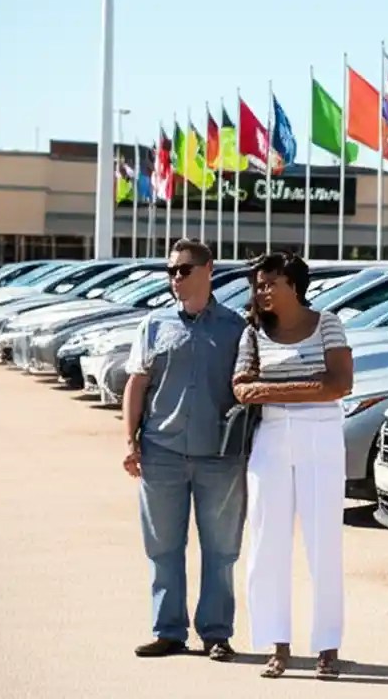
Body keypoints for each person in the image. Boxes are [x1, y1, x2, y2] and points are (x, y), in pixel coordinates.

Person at [121, 238, 248, 661]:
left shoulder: (237, 328)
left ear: (208, 269)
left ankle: (216, 634)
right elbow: (137, 383)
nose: (176, 277)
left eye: (184, 269)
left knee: (221, 550)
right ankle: (168, 631)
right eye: (171, 271)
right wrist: (130, 441)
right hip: (162, 453)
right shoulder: (154, 326)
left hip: (220, 458)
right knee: (162, 548)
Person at [231, 251, 354, 680]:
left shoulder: (328, 324)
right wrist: (307, 387)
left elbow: (339, 384)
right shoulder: (252, 333)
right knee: (267, 542)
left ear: (294, 286)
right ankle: (276, 643)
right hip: (272, 438)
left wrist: (277, 388)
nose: (262, 291)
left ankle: (327, 646)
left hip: (321, 436)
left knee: (324, 544)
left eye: (271, 283)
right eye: (258, 284)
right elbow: (242, 388)